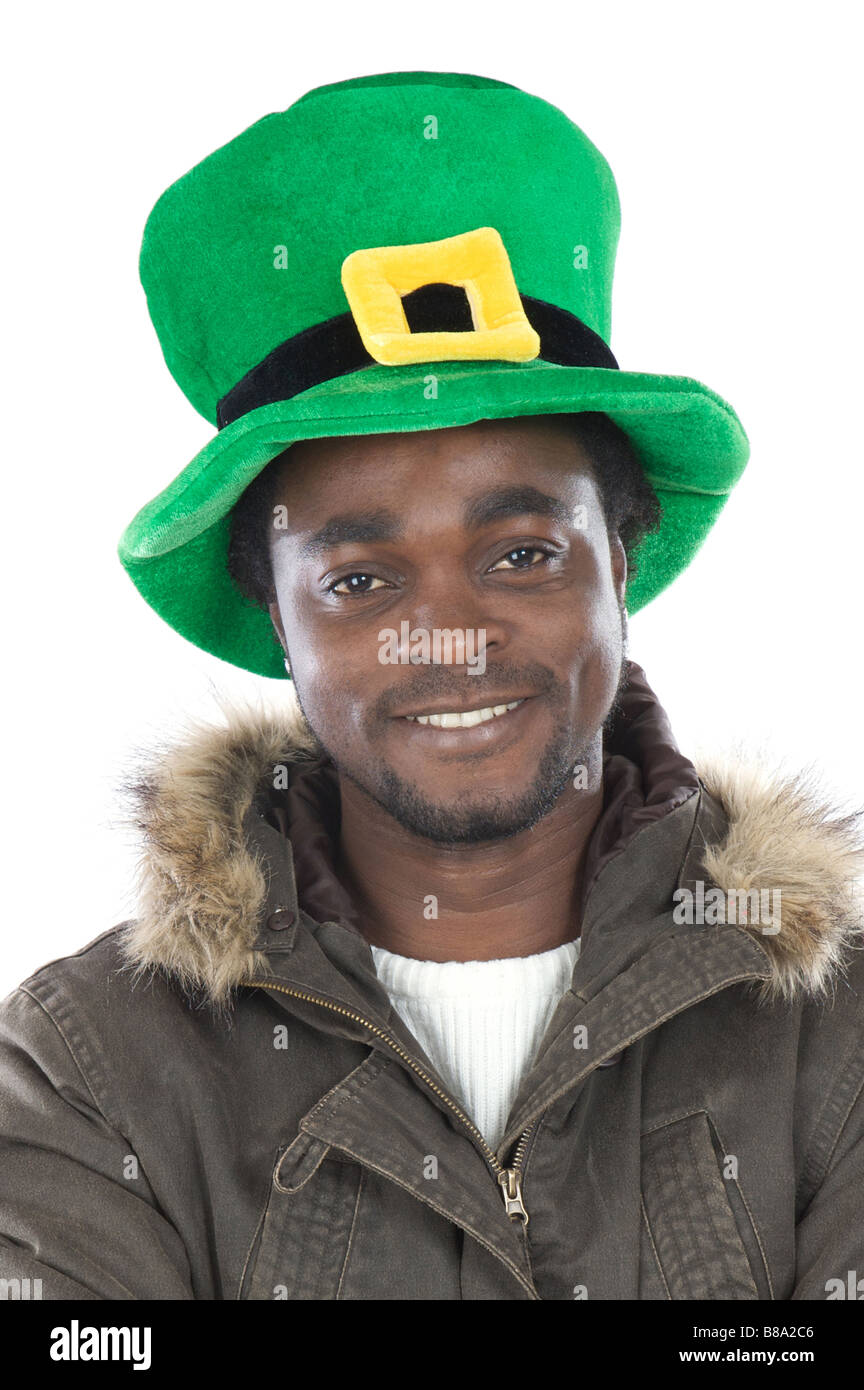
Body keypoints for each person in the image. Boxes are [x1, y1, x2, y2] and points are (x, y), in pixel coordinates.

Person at [1, 70, 862, 1302]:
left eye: (522, 554)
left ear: (620, 564)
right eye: (358, 582)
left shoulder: (838, 1037)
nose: (448, 639)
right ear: (275, 617)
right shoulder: (91, 1069)